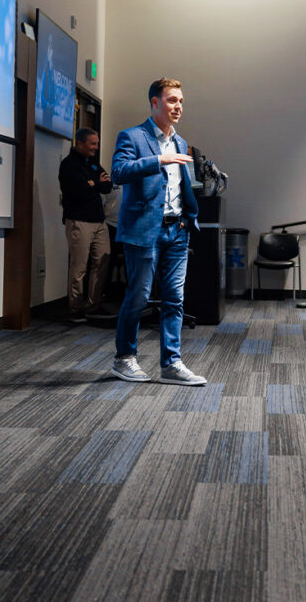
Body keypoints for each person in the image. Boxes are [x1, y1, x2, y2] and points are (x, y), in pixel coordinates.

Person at [109, 78, 205, 386]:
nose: (178, 106)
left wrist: (191, 215)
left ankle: (171, 364)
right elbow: (118, 172)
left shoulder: (180, 142)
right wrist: (158, 160)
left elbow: (183, 184)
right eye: (172, 100)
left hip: (176, 231)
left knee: (175, 299)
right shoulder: (132, 136)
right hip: (144, 232)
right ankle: (124, 359)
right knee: (138, 298)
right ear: (154, 102)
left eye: (181, 101)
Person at [58, 127, 112, 321]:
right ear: (80, 144)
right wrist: (94, 185)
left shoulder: (94, 165)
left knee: (102, 261)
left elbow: (107, 186)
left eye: (97, 144)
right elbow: (79, 190)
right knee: (79, 266)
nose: (96, 147)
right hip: (79, 221)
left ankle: (93, 305)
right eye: (93, 144)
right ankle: (76, 308)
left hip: (99, 221)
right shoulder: (68, 165)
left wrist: (94, 184)